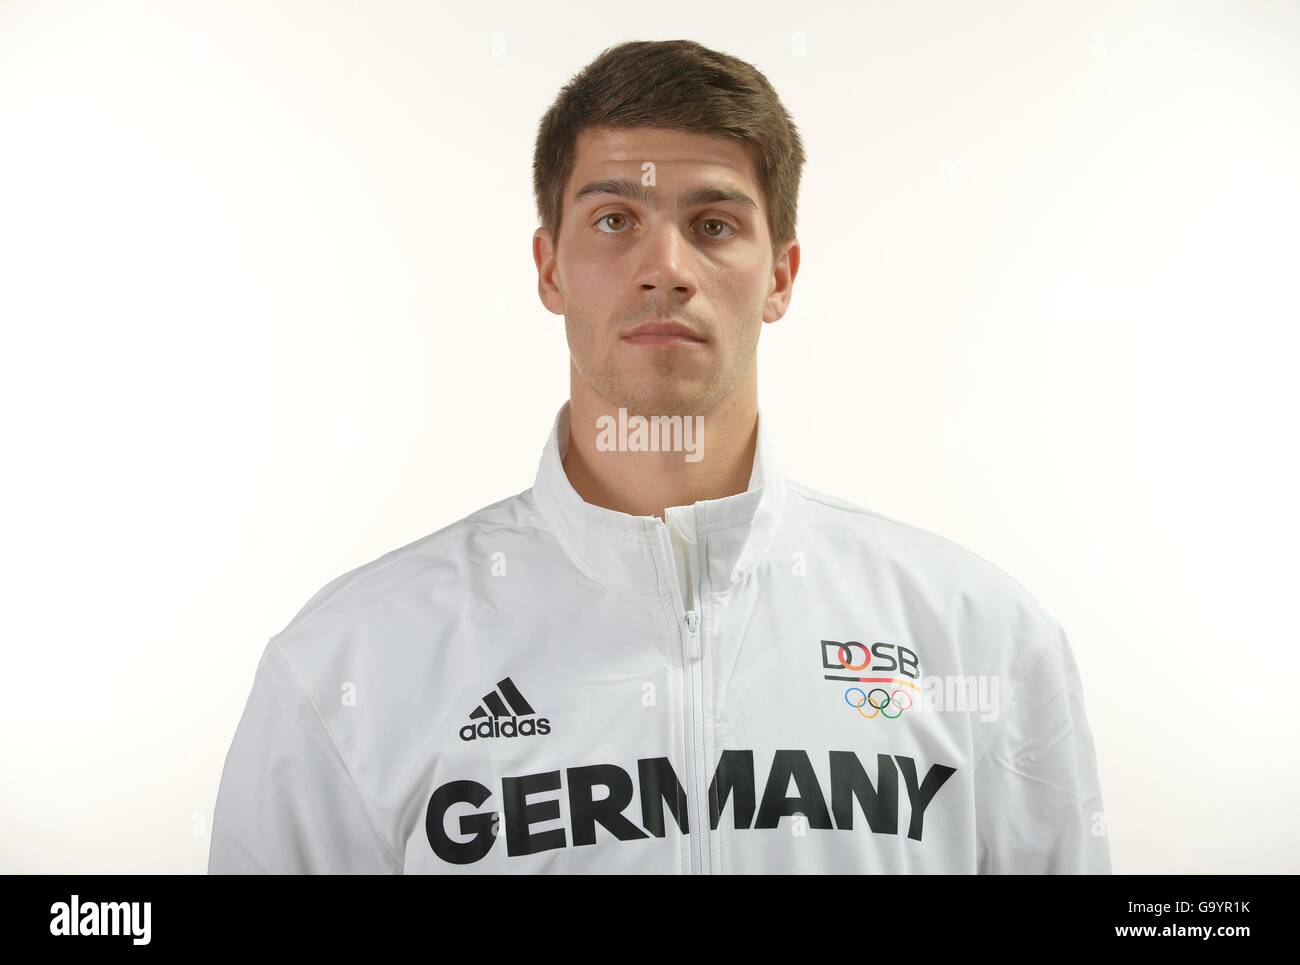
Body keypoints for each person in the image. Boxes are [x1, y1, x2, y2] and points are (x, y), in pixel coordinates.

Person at [208, 38, 1111, 874]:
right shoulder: (351, 665)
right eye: (613, 221)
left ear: (781, 275)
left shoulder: (977, 638)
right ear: (550, 267)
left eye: (714, 224)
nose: (665, 266)